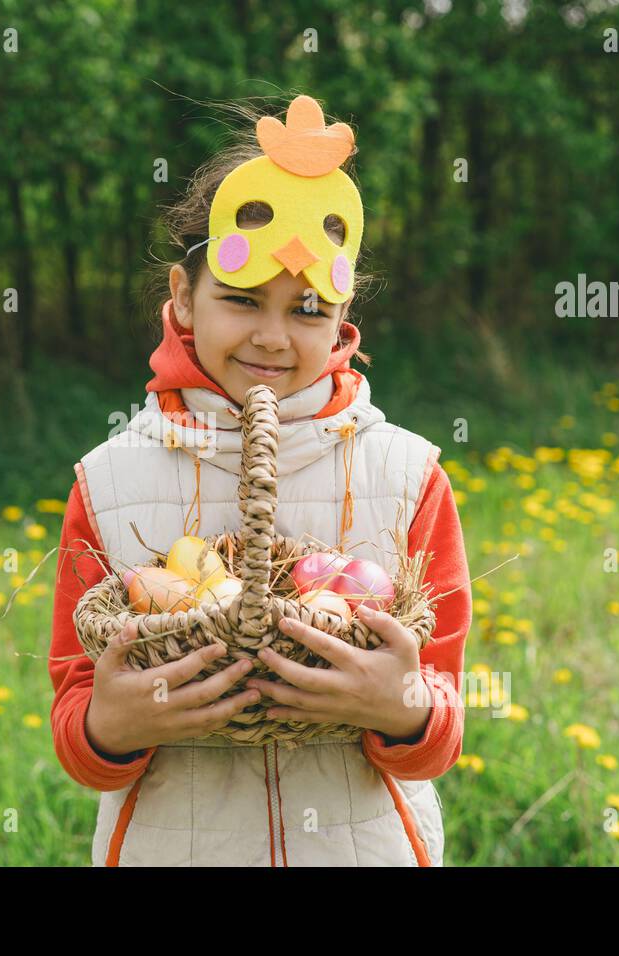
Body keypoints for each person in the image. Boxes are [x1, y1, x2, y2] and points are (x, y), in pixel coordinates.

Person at [47, 94, 472, 866]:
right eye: (241, 301)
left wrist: (402, 708)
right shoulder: (108, 482)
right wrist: (112, 726)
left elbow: (438, 724)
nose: (273, 337)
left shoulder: (407, 477)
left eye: (307, 309)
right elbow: (78, 721)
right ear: (183, 296)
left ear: (342, 312)